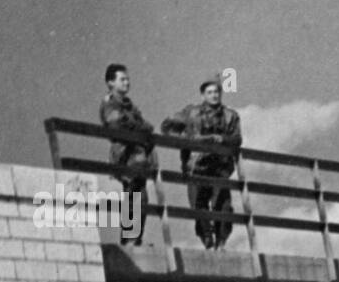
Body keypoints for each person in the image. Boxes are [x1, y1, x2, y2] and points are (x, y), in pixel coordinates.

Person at [160, 76, 242, 250]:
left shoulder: (230, 116)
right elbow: (166, 126)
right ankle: (207, 239)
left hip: (220, 167)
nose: (214, 96)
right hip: (197, 165)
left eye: (217, 92)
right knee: (198, 206)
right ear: (203, 95)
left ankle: (221, 242)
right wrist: (188, 139)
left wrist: (221, 139)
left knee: (224, 207)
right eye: (209, 92)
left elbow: (237, 139)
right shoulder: (191, 112)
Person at [98, 64, 157, 245]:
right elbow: (116, 125)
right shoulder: (110, 102)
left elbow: (147, 126)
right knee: (133, 196)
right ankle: (130, 240)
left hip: (139, 158)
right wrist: (139, 127)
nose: (127, 82)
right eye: (122, 79)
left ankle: (134, 239)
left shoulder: (129, 105)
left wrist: (138, 126)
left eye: (127, 79)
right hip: (125, 156)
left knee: (141, 198)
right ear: (110, 82)